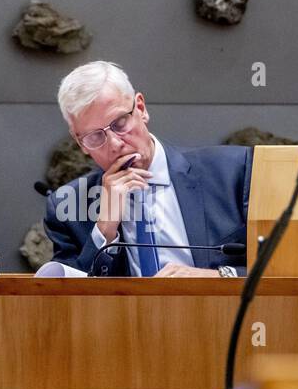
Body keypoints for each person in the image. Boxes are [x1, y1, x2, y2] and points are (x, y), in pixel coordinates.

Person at [44, 61, 251, 277]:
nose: (115, 144)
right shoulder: (68, 207)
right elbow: (69, 300)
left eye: (119, 123)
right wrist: (104, 230)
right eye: (95, 136)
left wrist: (215, 277)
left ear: (141, 109)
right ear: (80, 143)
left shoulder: (233, 170)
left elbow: (280, 269)